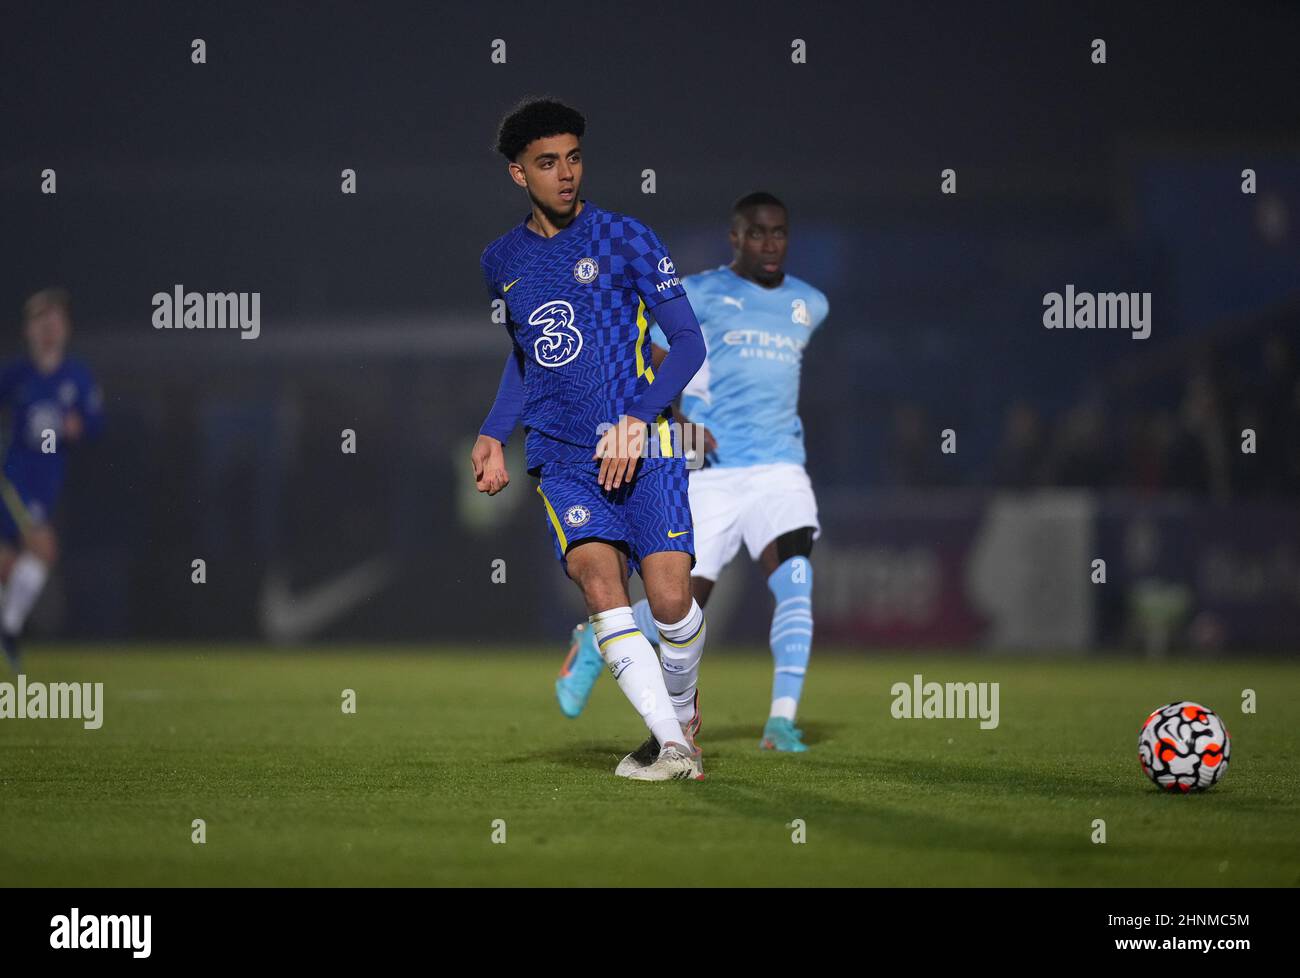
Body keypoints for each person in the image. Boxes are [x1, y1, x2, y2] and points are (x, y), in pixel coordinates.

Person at [470, 98, 709, 781]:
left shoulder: (627, 238)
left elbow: (688, 345)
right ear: (519, 174)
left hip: (648, 445)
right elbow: (528, 354)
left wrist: (637, 418)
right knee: (600, 584)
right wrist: (494, 432)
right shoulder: (501, 262)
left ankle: (684, 710)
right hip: (562, 457)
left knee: (670, 602)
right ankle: (673, 746)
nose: (565, 173)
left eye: (573, 157)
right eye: (548, 163)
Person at [556, 193, 829, 753]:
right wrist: (678, 419)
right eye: (757, 233)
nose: (770, 243)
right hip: (712, 471)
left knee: (797, 583)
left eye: (779, 232)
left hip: (781, 470)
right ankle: (594, 640)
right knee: (677, 604)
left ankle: (780, 722)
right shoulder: (699, 292)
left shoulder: (811, 303)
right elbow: (653, 356)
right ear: (736, 237)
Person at [0, 289, 104, 670]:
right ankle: (9, 630)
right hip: (14, 481)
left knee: (11, 564)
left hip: (49, 483)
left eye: (54, 323)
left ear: (65, 329)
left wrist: (80, 426)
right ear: (28, 330)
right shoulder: (16, 375)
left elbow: (94, 422)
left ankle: (7, 625)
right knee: (44, 549)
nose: (48, 330)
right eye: (40, 323)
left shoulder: (76, 377)